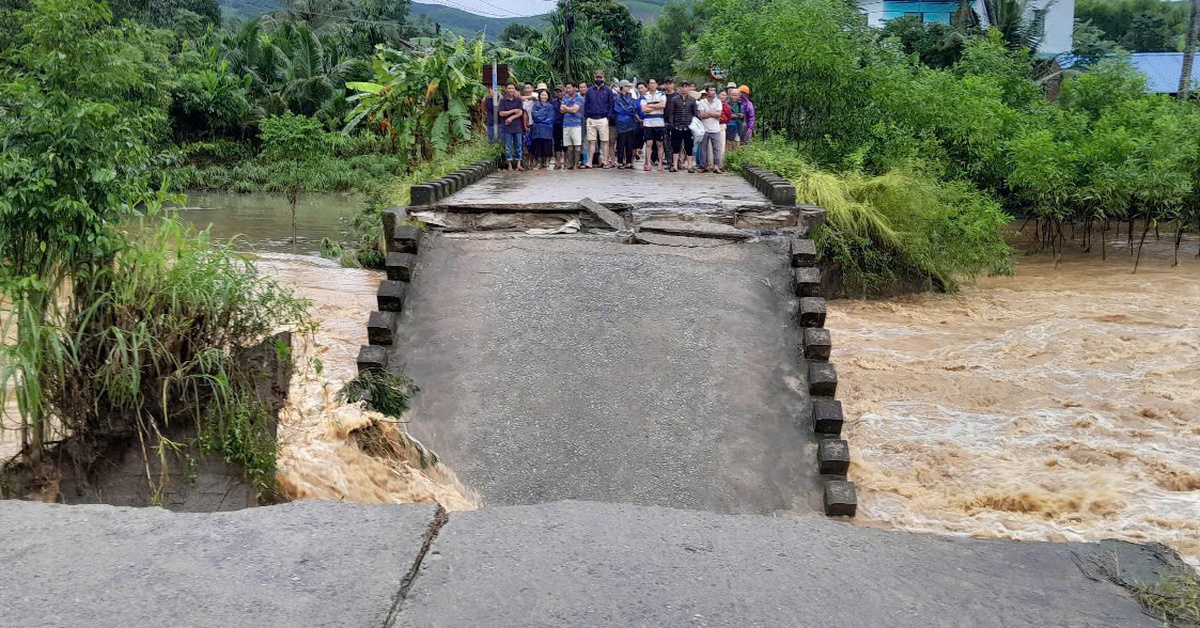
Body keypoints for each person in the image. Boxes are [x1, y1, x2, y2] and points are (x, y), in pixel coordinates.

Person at [583, 70, 614, 168]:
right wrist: (587, 116)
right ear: (594, 77)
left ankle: (605, 161)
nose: (599, 79)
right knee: (591, 142)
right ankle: (590, 162)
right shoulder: (590, 91)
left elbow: (611, 105)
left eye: (600, 77)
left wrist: (607, 117)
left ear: (604, 78)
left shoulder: (608, 91)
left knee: (605, 141)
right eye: (597, 77)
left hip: (603, 118)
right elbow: (586, 104)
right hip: (591, 119)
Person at [665, 80, 697, 173]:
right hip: (677, 126)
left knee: (689, 147)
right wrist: (672, 125)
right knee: (676, 147)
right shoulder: (675, 99)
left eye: (686, 87)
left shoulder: (692, 100)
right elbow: (671, 113)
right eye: (682, 87)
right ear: (679, 88)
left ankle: (690, 165)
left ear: (689, 88)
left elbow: (695, 113)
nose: (684, 89)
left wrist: (694, 125)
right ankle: (674, 165)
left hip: (688, 127)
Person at [641, 78, 667, 173]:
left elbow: (663, 105)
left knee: (659, 144)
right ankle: (648, 163)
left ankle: (660, 163)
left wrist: (650, 106)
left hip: (659, 122)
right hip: (648, 123)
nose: (652, 85)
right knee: (649, 144)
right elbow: (643, 109)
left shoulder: (661, 94)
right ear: (648, 85)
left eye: (654, 83)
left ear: (656, 84)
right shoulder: (645, 96)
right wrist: (656, 105)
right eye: (650, 83)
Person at [498, 82, 526, 171]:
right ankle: (509, 164)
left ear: (515, 89)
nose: (511, 90)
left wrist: (511, 117)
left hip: (517, 126)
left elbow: (520, 112)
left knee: (519, 145)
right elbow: (501, 113)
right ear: (506, 89)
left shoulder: (518, 100)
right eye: (509, 88)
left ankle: (518, 164)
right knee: (508, 146)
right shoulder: (502, 100)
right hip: (506, 127)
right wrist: (513, 111)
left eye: (512, 88)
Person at [696, 84, 723, 173]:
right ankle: (703, 166)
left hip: (715, 129)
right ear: (707, 92)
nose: (712, 92)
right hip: (704, 129)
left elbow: (719, 114)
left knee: (717, 149)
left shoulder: (718, 102)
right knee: (703, 148)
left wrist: (708, 112)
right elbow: (702, 115)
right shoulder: (702, 102)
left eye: (714, 90)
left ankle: (716, 166)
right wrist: (713, 113)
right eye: (710, 90)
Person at [613, 80, 640, 169]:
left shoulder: (632, 98)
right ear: (622, 87)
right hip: (621, 122)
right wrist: (628, 111)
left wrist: (628, 111)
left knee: (630, 143)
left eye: (629, 86)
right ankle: (620, 161)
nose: (628, 88)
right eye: (626, 86)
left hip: (631, 122)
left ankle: (629, 161)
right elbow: (617, 109)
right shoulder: (617, 98)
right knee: (621, 143)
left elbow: (634, 108)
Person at [559, 82, 584, 170]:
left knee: (577, 144)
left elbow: (575, 110)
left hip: (576, 124)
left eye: (569, 88)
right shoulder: (565, 97)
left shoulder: (579, 98)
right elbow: (561, 110)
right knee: (568, 145)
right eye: (567, 88)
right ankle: (570, 163)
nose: (568, 90)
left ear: (574, 88)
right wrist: (570, 108)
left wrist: (566, 108)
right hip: (566, 124)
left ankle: (576, 163)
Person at [531, 89, 556, 169]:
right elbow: (534, 116)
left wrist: (540, 116)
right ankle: (539, 162)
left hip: (547, 129)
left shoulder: (550, 106)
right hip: (537, 130)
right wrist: (543, 116)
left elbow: (551, 118)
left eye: (545, 95)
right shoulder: (535, 105)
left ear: (548, 96)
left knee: (547, 146)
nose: (543, 96)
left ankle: (546, 162)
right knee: (538, 146)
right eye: (542, 95)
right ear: (539, 96)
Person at [726, 86, 746, 155]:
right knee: (729, 143)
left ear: (739, 96)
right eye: (733, 95)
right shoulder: (726, 103)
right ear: (730, 95)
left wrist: (739, 115)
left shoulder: (741, 104)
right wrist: (734, 115)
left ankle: (736, 157)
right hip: (729, 125)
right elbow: (727, 115)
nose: (734, 97)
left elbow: (743, 114)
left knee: (737, 142)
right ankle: (728, 157)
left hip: (738, 125)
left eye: (736, 95)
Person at [551, 85, 565, 169]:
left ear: (564, 91)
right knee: (557, 144)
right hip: (556, 124)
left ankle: (567, 161)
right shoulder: (554, 101)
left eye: (560, 91)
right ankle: (558, 162)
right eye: (557, 91)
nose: (559, 93)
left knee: (566, 144)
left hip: (566, 124)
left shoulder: (567, 100)